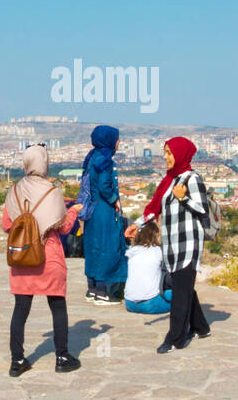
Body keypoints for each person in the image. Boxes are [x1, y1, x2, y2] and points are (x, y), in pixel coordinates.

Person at [1, 144, 82, 376]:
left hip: (23, 256)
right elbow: (65, 227)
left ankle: (17, 360)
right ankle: (62, 356)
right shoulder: (51, 191)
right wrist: (74, 210)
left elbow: (7, 225)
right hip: (48, 256)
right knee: (57, 307)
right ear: (44, 163)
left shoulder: (14, 191)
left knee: (20, 310)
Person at [126, 136, 212, 353]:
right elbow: (155, 207)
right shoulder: (170, 180)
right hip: (171, 245)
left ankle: (175, 338)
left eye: (169, 153)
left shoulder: (192, 179)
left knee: (181, 292)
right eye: (165, 152)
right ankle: (201, 327)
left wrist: (183, 198)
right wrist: (137, 224)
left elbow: (203, 210)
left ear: (181, 154)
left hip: (188, 244)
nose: (165, 157)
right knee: (183, 288)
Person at [80, 124, 128, 304]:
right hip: (104, 211)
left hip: (92, 210)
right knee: (107, 246)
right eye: (117, 139)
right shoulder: (105, 160)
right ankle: (102, 291)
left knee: (93, 247)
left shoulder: (92, 157)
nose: (118, 142)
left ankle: (92, 288)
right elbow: (104, 185)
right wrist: (114, 199)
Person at [123, 219, 172, 315]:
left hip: (129, 303)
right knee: (181, 293)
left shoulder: (132, 251)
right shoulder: (157, 251)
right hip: (150, 303)